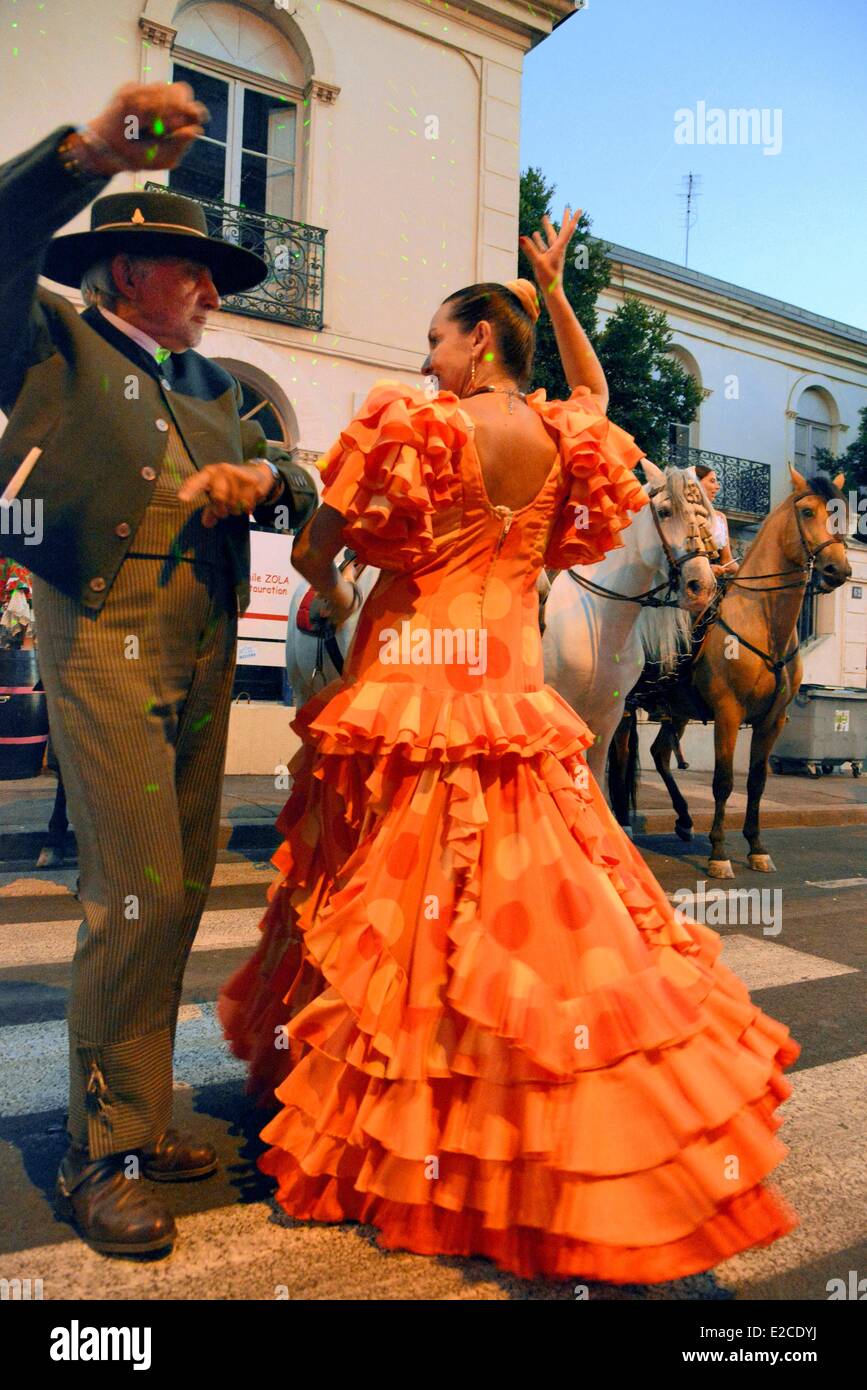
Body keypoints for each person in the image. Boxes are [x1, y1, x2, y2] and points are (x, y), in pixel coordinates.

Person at [218, 210, 800, 1284]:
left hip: (410, 686)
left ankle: (399, 1129)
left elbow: (314, 542)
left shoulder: (417, 423)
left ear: (478, 342)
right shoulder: (558, 436)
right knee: (518, 900)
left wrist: (331, 592)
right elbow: (599, 399)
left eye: (438, 338)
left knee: (389, 907)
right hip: (509, 689)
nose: (424, 355)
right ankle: (529, 1105)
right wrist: (559, 286)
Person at [0, 81, 315, 1258]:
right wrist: (85, 151)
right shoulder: (45, 335)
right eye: (194, 275)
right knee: (130, 894)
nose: (210, 296)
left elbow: (307, 476)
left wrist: (266, 484)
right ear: (127, 270)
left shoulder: (222, 392)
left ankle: (136, 1110)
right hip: (106, 630)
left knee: (177, 890)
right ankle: (103, 1151)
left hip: (205, 641)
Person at [695, 465, 739, 578]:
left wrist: (751, 573)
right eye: (712, 481)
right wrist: (707, 569)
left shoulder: (720, 518)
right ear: (696, 483)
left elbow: (727, 560)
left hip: (713, 586)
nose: (717, 487)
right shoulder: (681, 515)